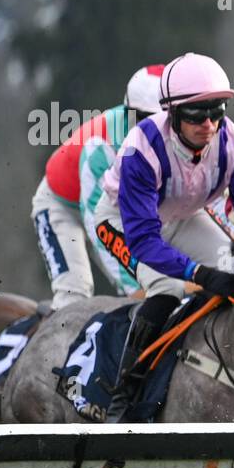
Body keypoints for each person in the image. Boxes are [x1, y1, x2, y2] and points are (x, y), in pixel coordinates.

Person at [92, 52, 234, 408]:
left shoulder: (232, 142)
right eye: (197, 115)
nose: (209, 124)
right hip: (125, 223)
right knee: (168, 288)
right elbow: (145, 240)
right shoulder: (141, 148)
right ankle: (124, 391)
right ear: (172, 113)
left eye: (216, 112)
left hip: (184, 217)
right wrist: (199, 273)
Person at [30, 66, 162, 307]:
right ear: (133, 115)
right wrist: (138, 289)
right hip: (62, 206)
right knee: (74, 296)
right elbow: (102, 229)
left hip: (109, 207)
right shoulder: (105, 149)